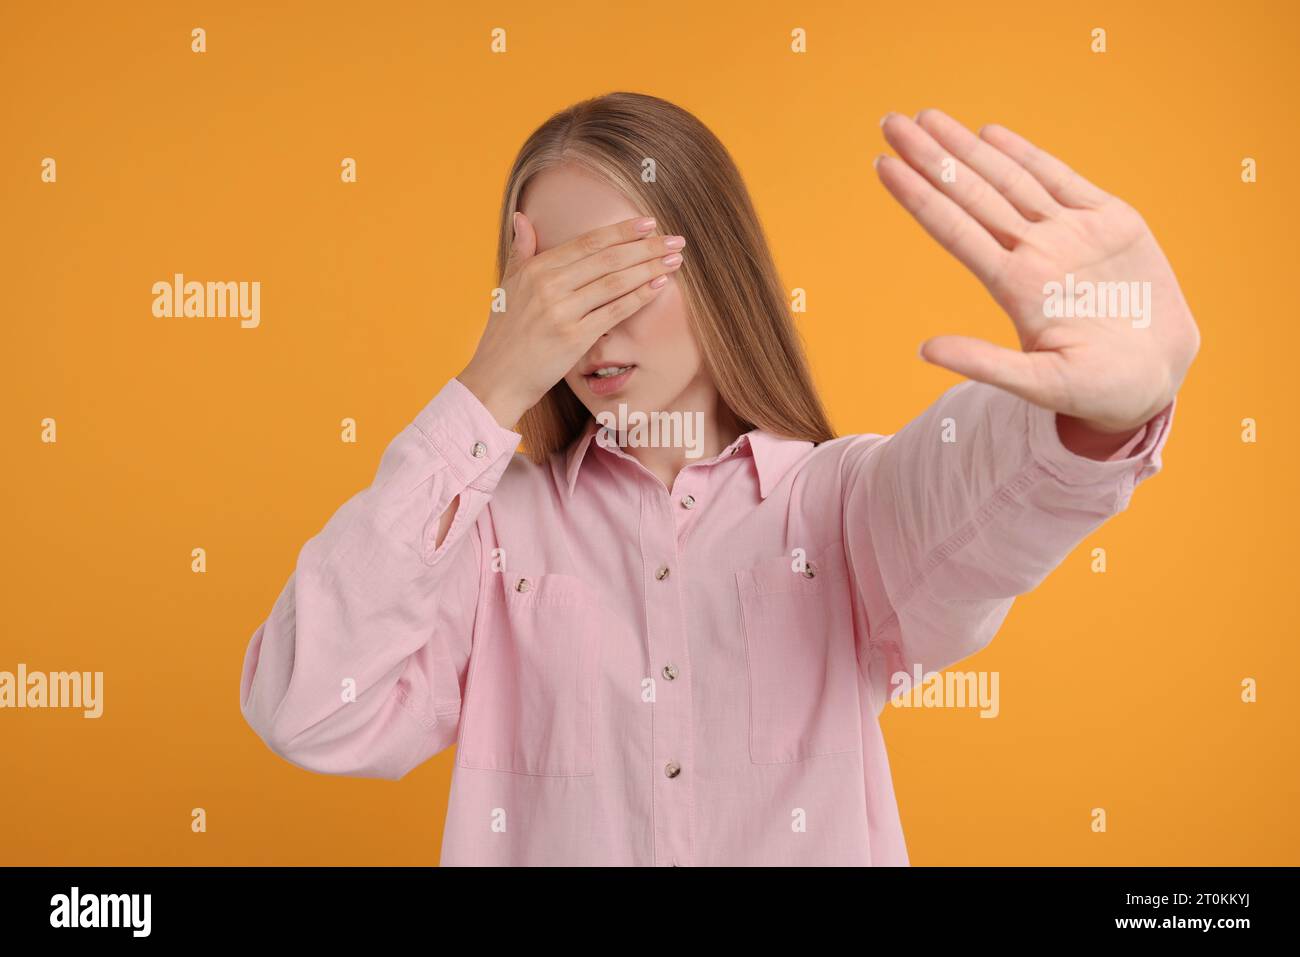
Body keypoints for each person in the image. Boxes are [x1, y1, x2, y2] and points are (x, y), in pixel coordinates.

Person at [238, 92, 1198, 866]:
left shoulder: (835, 510)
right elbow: (308, 706)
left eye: (619, 274)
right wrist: (484, 390)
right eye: (551, 291)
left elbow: (972, 492)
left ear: (716, 268)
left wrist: (1093, 412)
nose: (585, 327)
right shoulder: (484, 534)